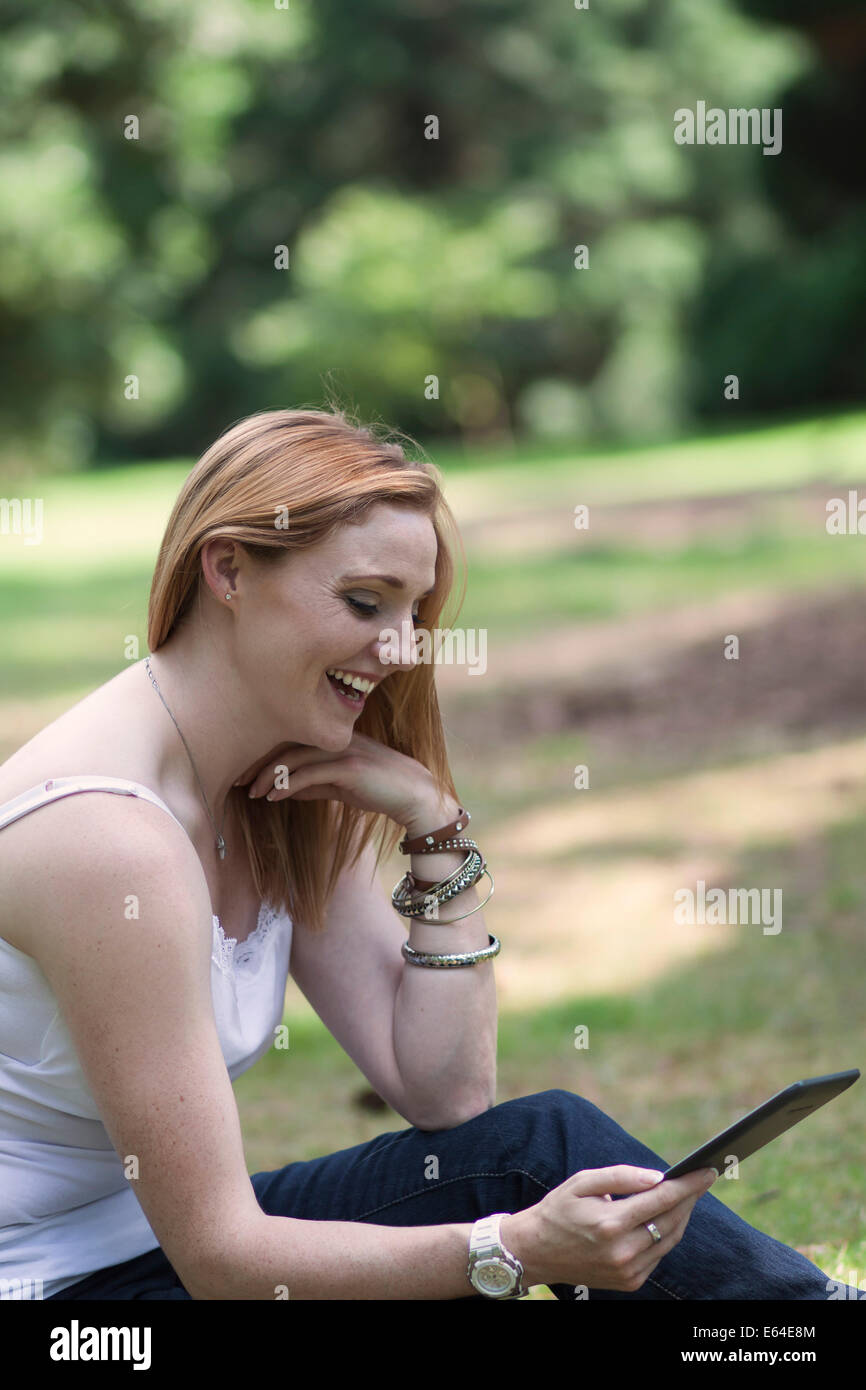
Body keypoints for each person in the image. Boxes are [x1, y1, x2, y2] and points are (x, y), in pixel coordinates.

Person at [0, 407, 854, 1301]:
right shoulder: (110, 842)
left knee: (539, 1146)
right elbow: (222, 1259)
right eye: (367, 603)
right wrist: (509, 1250)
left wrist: (434, 827)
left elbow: (444, 1094)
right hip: (65, 1299)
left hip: (154, 1254)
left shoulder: (273, 782)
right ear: (228, 570)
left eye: (416, 613)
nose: (402, 650)